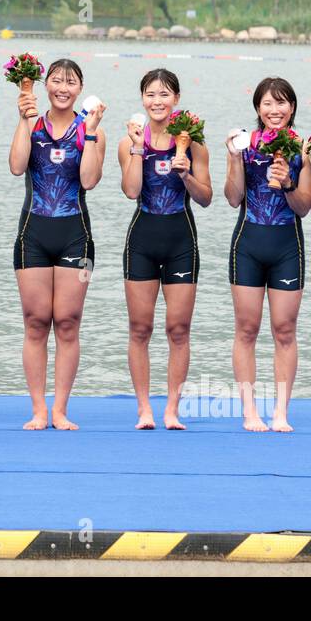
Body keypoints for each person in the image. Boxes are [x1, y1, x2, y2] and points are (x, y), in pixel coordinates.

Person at [9, 59, 106, 430]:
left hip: (75, 235)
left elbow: (89, 180)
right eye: (56, 81)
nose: (63, 88)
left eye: (70, 82)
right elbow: (17, 167)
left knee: (67, 323)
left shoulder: (89, 128)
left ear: (80, 88)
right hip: (32, 232)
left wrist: (93, 133)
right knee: (35, 323)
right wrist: (23, 121)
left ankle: (61, 410)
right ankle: (37, 410)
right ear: (45, 85)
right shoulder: (33, 122)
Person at [117, 69, 212, 430]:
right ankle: (144, 408)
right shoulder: (130, 141)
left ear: (177, 99)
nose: (158, 101)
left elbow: (206, 198)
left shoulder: (193, 142)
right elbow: (130, 190)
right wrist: (139, 147)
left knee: (178, 328)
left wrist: (187, 175)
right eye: (151, 95)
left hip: (181, 239)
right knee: (140, 328)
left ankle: (172, 409)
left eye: (165, 95)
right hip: (142, 238)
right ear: (143, 99)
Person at [223, 77, 311, 432]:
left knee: (285, 330)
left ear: (292, 107)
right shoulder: (244, 144)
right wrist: (234, 159)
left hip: (287, 246)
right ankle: (249, 412)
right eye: (267, 104)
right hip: (247, 244)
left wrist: (289, 183)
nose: (274, 110)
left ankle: (280, 412)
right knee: (246, 329)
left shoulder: (306, 148)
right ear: (257, 108)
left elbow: (305, 207)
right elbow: (233, 199)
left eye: (281, 103)